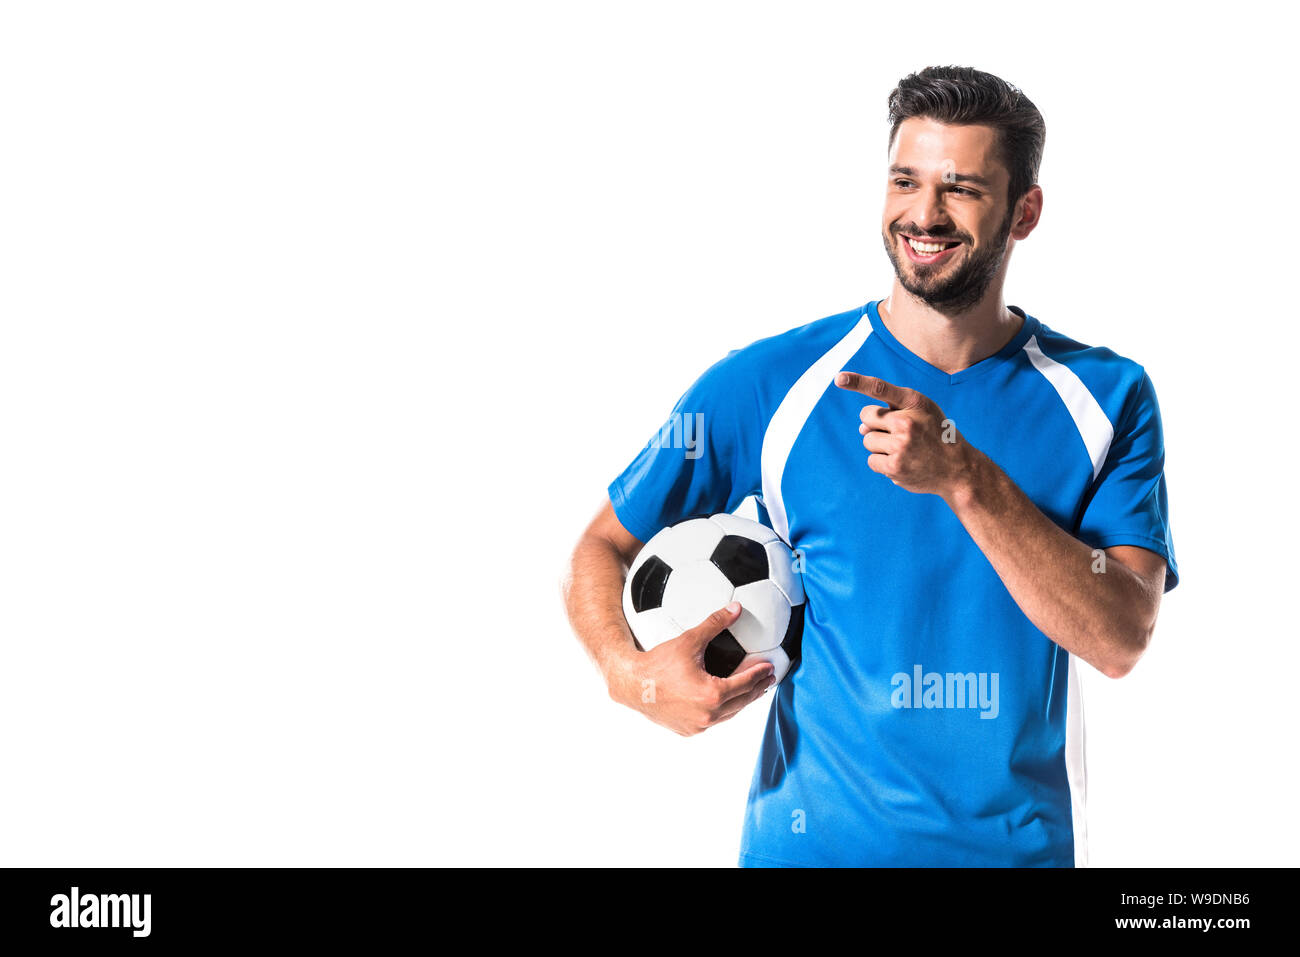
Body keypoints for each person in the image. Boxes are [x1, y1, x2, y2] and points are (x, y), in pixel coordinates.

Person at [560, 65, 1177, 867]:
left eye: (960, 189)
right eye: (904, 181)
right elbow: (600, 547)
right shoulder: (771, 381)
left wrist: (966, 477)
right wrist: (629, 676)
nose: (924, 214)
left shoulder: (1107, 397)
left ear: (1024, 212)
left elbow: (1122, 634)